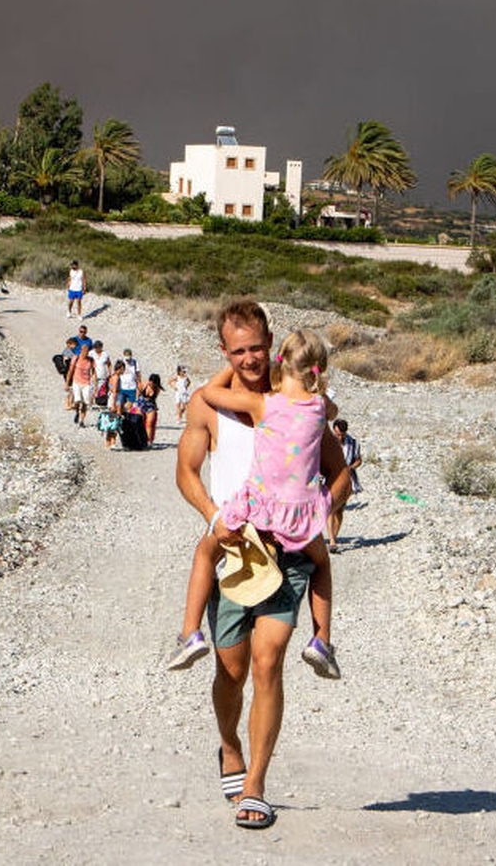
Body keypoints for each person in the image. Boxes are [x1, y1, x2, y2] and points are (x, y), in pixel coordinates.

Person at [172, 299, 352, 830]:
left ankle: (256, 786)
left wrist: (325, 508)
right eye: (239, 350)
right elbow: (186, 470)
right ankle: (230, 747)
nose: (251, 359)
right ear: (224, 352)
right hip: (234, 548)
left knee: (268, 660)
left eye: (258, 347)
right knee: (231, 669)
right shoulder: (212, 406)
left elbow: (339, 472)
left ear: (272, 342)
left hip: (289, 548)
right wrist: (211, 516)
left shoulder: (299, 400)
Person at [327, 419, 362, 549]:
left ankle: (334, 537)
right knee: (330, 509)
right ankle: (331, 540)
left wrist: (350, 468)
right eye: (337, 434)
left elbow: (359, 460)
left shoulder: (353, 443)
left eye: (342, 435)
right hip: (329, 479)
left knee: (339, 510)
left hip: (347, 481)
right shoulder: (327, 443)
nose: (340, 437)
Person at [64, 343, 95, 427]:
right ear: (81, 351)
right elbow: (70, 371)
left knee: (85, 402)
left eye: (87, 351)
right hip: (77, 382)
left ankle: (82, 421)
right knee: (77, 401)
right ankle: (77, 412)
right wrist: (67, 383)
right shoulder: (76, 358)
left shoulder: (91, 360)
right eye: (84, 351)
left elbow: (93, 372)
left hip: (86, 383)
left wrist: (95, 384)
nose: (85, 353)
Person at [136, 372, 164, 445]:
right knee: (139, 420)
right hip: (141, 403)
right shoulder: (144, 384)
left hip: (151, 405)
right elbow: (138, 394)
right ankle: (139, 439)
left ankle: (148, 441)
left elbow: (153, 397)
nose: (150, 384)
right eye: (150, 382)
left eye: (152, 383)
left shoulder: (157, 389)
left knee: (150, 423)